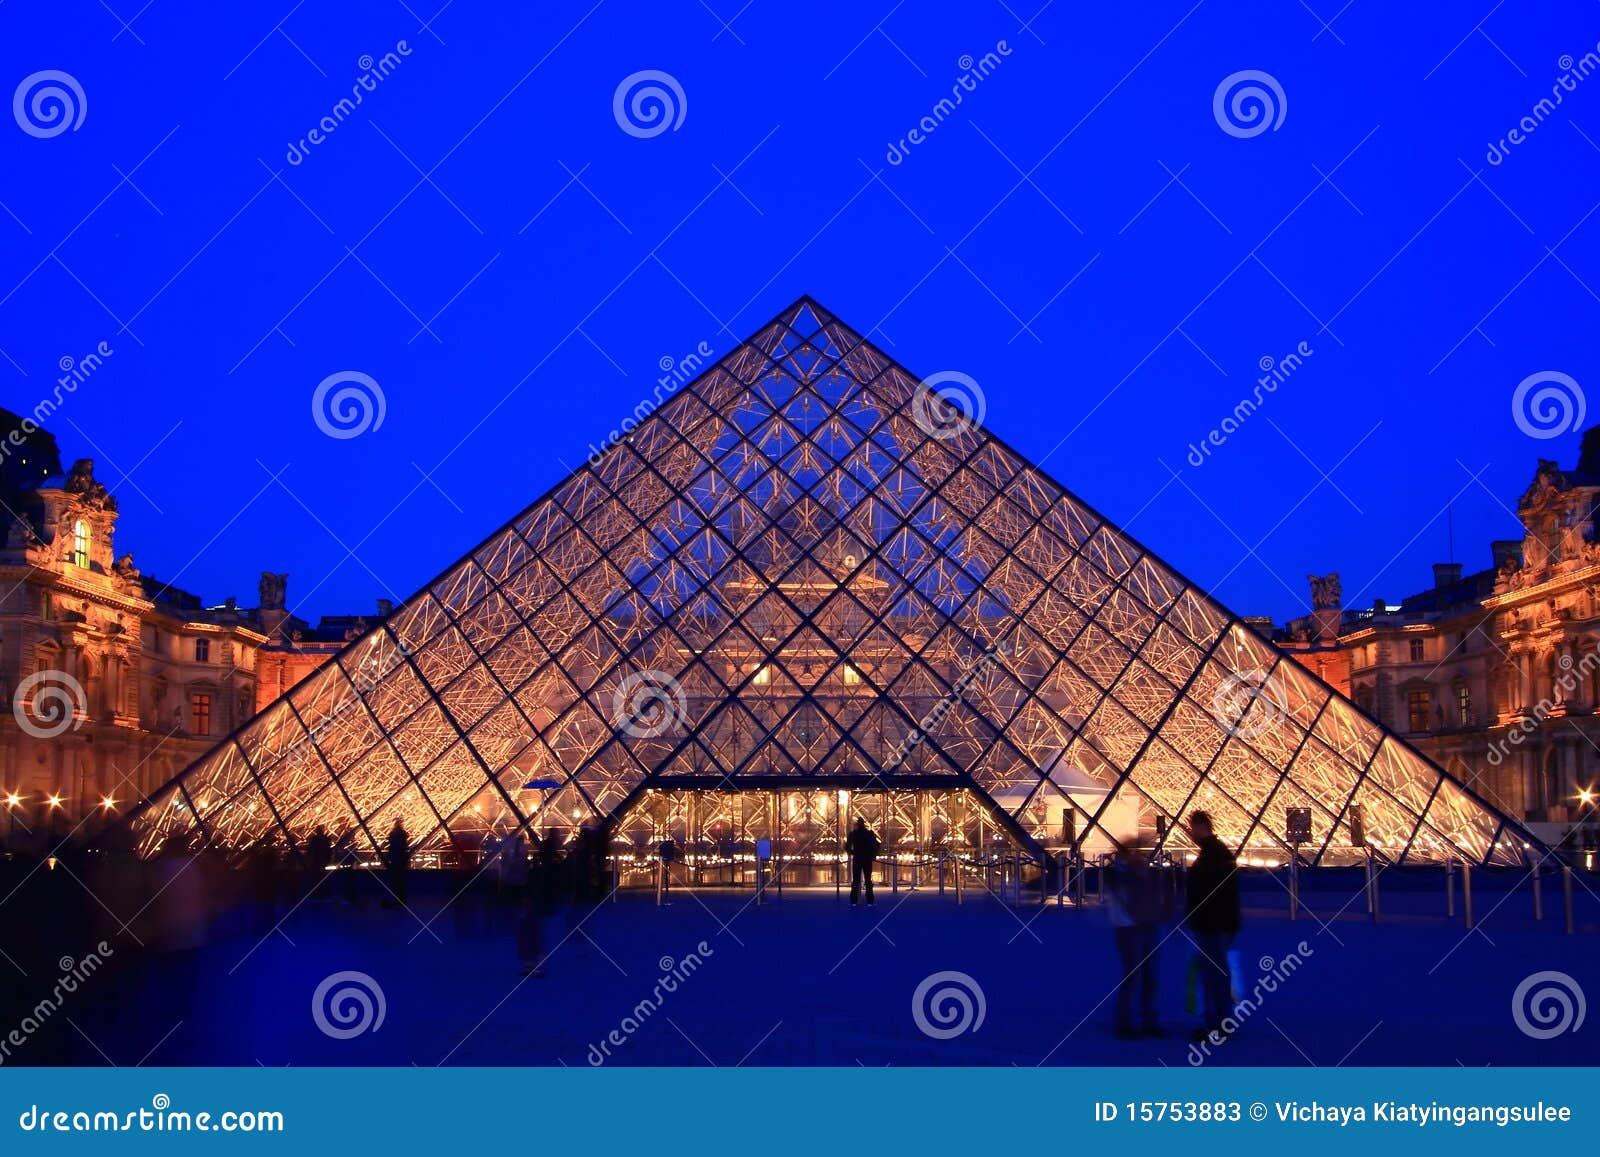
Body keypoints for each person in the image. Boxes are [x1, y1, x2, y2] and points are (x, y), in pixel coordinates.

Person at [1105, 844, 1175, 1038]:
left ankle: (1144, 1020)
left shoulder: (1141, 874)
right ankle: (1129, 1021)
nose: (1141, 856)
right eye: (1136, 852)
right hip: (1130, 929)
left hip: (1145, 926)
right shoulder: (1121, 875)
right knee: (1135, 976)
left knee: (1147, 977)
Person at [1184, 811, 1241, 1043]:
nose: (1190, 832)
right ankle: (1219, 1021)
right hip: (1219, 922)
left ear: (1200, 826)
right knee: (1217, 973)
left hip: (1212, 923)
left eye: (1192, 827)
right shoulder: (1218, 851)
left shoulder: (1212, 854)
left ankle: (1218, 1025)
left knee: (1214, 974)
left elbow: (1210, 892)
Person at [845, 818, 881, 907]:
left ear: (857, 824)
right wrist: (873, 855)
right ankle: (870, 901)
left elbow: (847, 846)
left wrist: (852, 853)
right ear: (864, 824)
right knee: (868, 880)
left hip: (857, 858)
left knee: (856, 880)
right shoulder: (869, 833)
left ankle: (854, 901)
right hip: (867, 858)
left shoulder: (853, 834)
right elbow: (877, 845)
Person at [384, 820, 410, 907]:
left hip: (395, 860)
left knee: (396, 881)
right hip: (401, 860)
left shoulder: (393, 834)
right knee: (400, 881)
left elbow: (391, 845)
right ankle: (401, 900)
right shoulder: (403, 835)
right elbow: (405, 846)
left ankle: (397, 899)